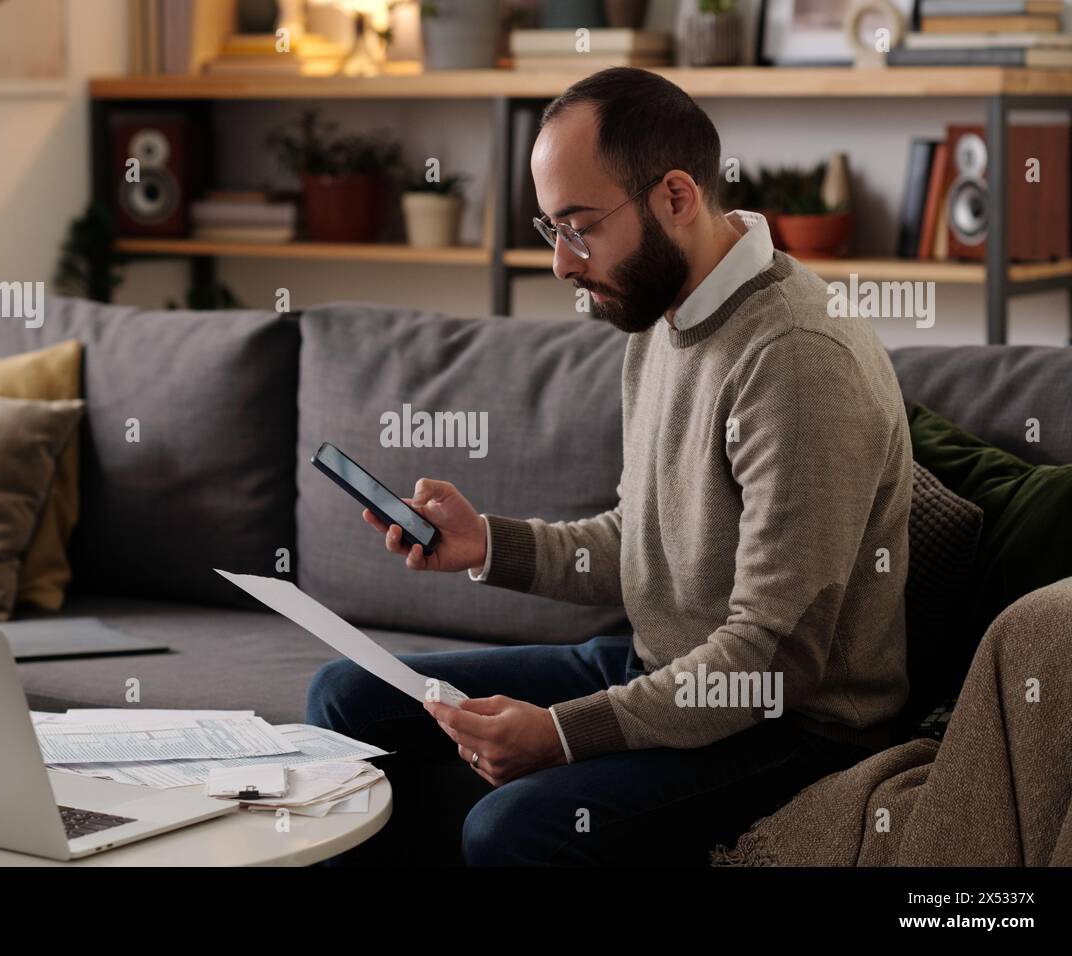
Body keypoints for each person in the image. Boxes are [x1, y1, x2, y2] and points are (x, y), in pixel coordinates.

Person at [306, 67, 912, 866]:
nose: (562, 262)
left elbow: (772, 661)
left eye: (579, 226)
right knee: (346, 695)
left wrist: (561, 735)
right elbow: (644, 541)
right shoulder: (661, 310)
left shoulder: (797, 361)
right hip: (660, 664)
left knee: (510, 829)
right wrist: (484, 544)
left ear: (675, 197)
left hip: (789, 726)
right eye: (550, 226)